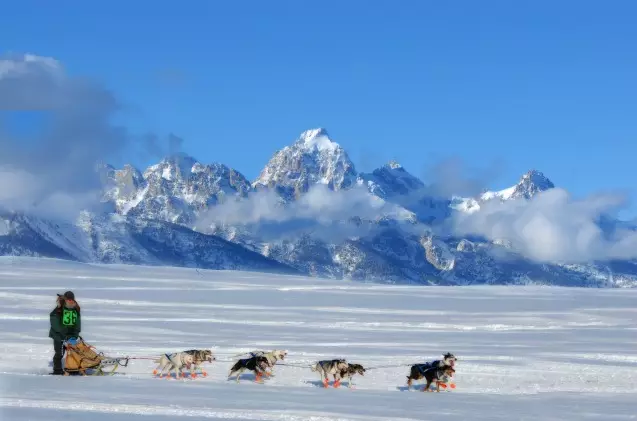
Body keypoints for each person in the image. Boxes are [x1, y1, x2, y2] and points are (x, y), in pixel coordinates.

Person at [49, 291, 81, 375]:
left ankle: (73, 369)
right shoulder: (59, 309)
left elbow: (77, 324)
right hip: (58, 336)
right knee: (59, 353)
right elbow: (55, 323)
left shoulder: (75, 309)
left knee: (74, 352)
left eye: (72, 299)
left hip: (70, 336)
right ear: (65, 300)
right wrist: (63, 336)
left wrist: (75, 336)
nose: (70, 301)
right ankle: (57, 370)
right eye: (68, 299)